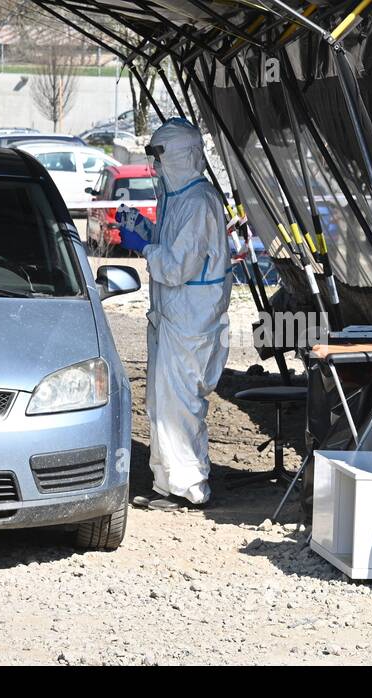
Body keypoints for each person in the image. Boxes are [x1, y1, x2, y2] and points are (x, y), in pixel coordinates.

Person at [118, 118, 232, 511]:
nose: (156, 167)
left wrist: (144, 248)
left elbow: (176, 267)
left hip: (191, 324)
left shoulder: (199, 203)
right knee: (162, 404)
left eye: (161, 157)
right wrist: (146, 230)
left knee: (181, 404)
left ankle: (192, 485)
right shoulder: (176, 196)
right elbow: (171, 245)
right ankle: (168, 482)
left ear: (181, 156)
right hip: (172, 318)